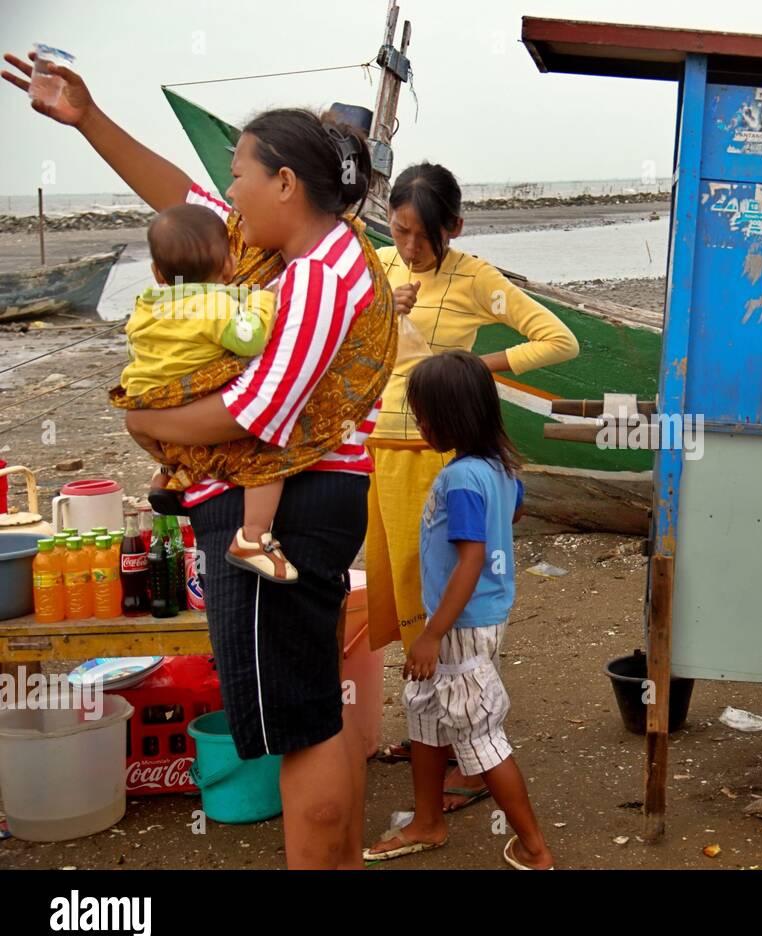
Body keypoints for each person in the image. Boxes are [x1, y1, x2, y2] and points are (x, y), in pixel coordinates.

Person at [3, 50, 396, 868]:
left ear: (285, 183)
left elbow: (261, 412)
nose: (230, 190)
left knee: (299, 723)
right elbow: (179, 198)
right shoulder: (285, 257)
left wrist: (144, 416)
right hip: (296, 501)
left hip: (284, 507)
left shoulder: (320, 277)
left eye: (241, 172)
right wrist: (88, 119)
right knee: (310, 708)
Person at [366, 162, 578, 810]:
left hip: (435, 455)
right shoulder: (376, 266)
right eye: (398, 232)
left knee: (441, 597)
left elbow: (558, 340)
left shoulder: (475, 279)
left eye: (421, 239)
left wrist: (468, 368)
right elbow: (342, 347)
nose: (407, 249)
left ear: (454, 228)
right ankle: (431, 731)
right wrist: (378, 313)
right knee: (403, 591)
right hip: (381, 450)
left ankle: (465, 748)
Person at [364, 350, 554, 869]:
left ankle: (535, 848)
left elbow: (470, 560)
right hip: (470, 618)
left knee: (479, 731)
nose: (421, 425)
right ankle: (427, 821)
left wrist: (430, 635)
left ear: (454, 418)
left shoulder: (461, 478)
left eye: (426, 416)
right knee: (424, 709)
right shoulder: (497, 467)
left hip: (458, 625)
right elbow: (513, 511)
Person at [113, 203, 298, 582]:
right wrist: (264, 300)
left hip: (149, 398)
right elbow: (248, 339)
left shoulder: (145, 306)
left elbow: (136, 350)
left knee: (178, 441)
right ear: (230, 266)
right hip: (191, 399)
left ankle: (167, 474)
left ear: (157, 272)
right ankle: (253, 536)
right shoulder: (216, 303)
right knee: (270, 449)